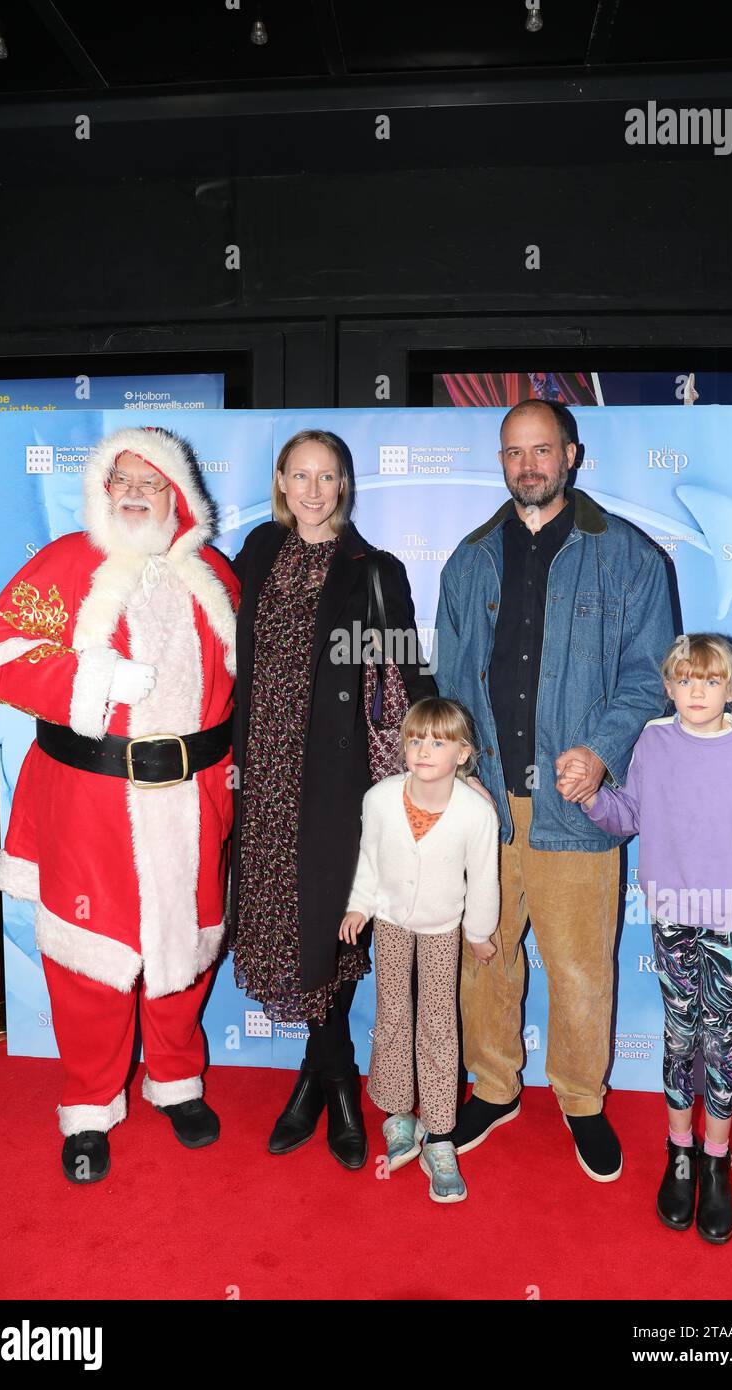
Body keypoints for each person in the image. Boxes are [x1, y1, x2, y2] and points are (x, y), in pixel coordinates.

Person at [0, 426, 240, 1182]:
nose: (132, 492)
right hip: (93, 800)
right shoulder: (65, 565)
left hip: (194, 798)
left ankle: (177, 1081)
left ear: (177, 495)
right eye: (119, 478)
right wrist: (91, 680)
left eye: (149, 482)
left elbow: (249, 689)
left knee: (183, 950)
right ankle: (88, 1106)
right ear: (99, 487)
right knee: (92, 962)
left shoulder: (215, 576)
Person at [434, 398, 675, 1180]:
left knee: (579, 968)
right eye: (514, 453)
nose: (528, 465)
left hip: (578, 803)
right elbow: (449, 683)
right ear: (501, 461)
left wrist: (603, 753)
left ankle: (580, 1100)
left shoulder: (631, 557)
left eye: (542, 450)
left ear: (571, 454)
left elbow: (650, 682)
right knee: (487, 957)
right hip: (488, 802)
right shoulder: (469, 561)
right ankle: (495, 1087)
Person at [228, 428, 436, 1170]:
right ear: (281, 481)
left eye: (329, 477)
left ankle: (330, 1085)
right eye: (301, 476)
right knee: (286, 922)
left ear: (344, 484)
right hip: (264, 772)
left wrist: (437, 759)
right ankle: (331, 1078)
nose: (314, 491)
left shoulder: (372, 570)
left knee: (332, 926)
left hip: (336, 776)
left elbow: (407, 671)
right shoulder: (255, 554)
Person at [579, 633, 732, 1242]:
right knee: (678, 1033)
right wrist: (594, 798)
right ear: (668, 688)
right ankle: (680, 1151)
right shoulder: (652, 741)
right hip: (671, 914)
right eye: (686, 680)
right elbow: (631, 815)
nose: (698, 692)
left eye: (712, 681)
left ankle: (717, 1159)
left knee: (719, 1039)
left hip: (729, 921)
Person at [340, 698, 500, 1202]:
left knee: (436, 1022)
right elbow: (368, 860)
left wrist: (480, 931)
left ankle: (440, 1131)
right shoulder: (380, 799)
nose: (424, 751)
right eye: (414, 740)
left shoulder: (477, 812)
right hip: (388, 921)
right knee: (391, 1016)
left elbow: (484, 881)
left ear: (463, 753)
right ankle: (397, 1112)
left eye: (438, 742)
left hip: (442, 928)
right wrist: (358, 906)